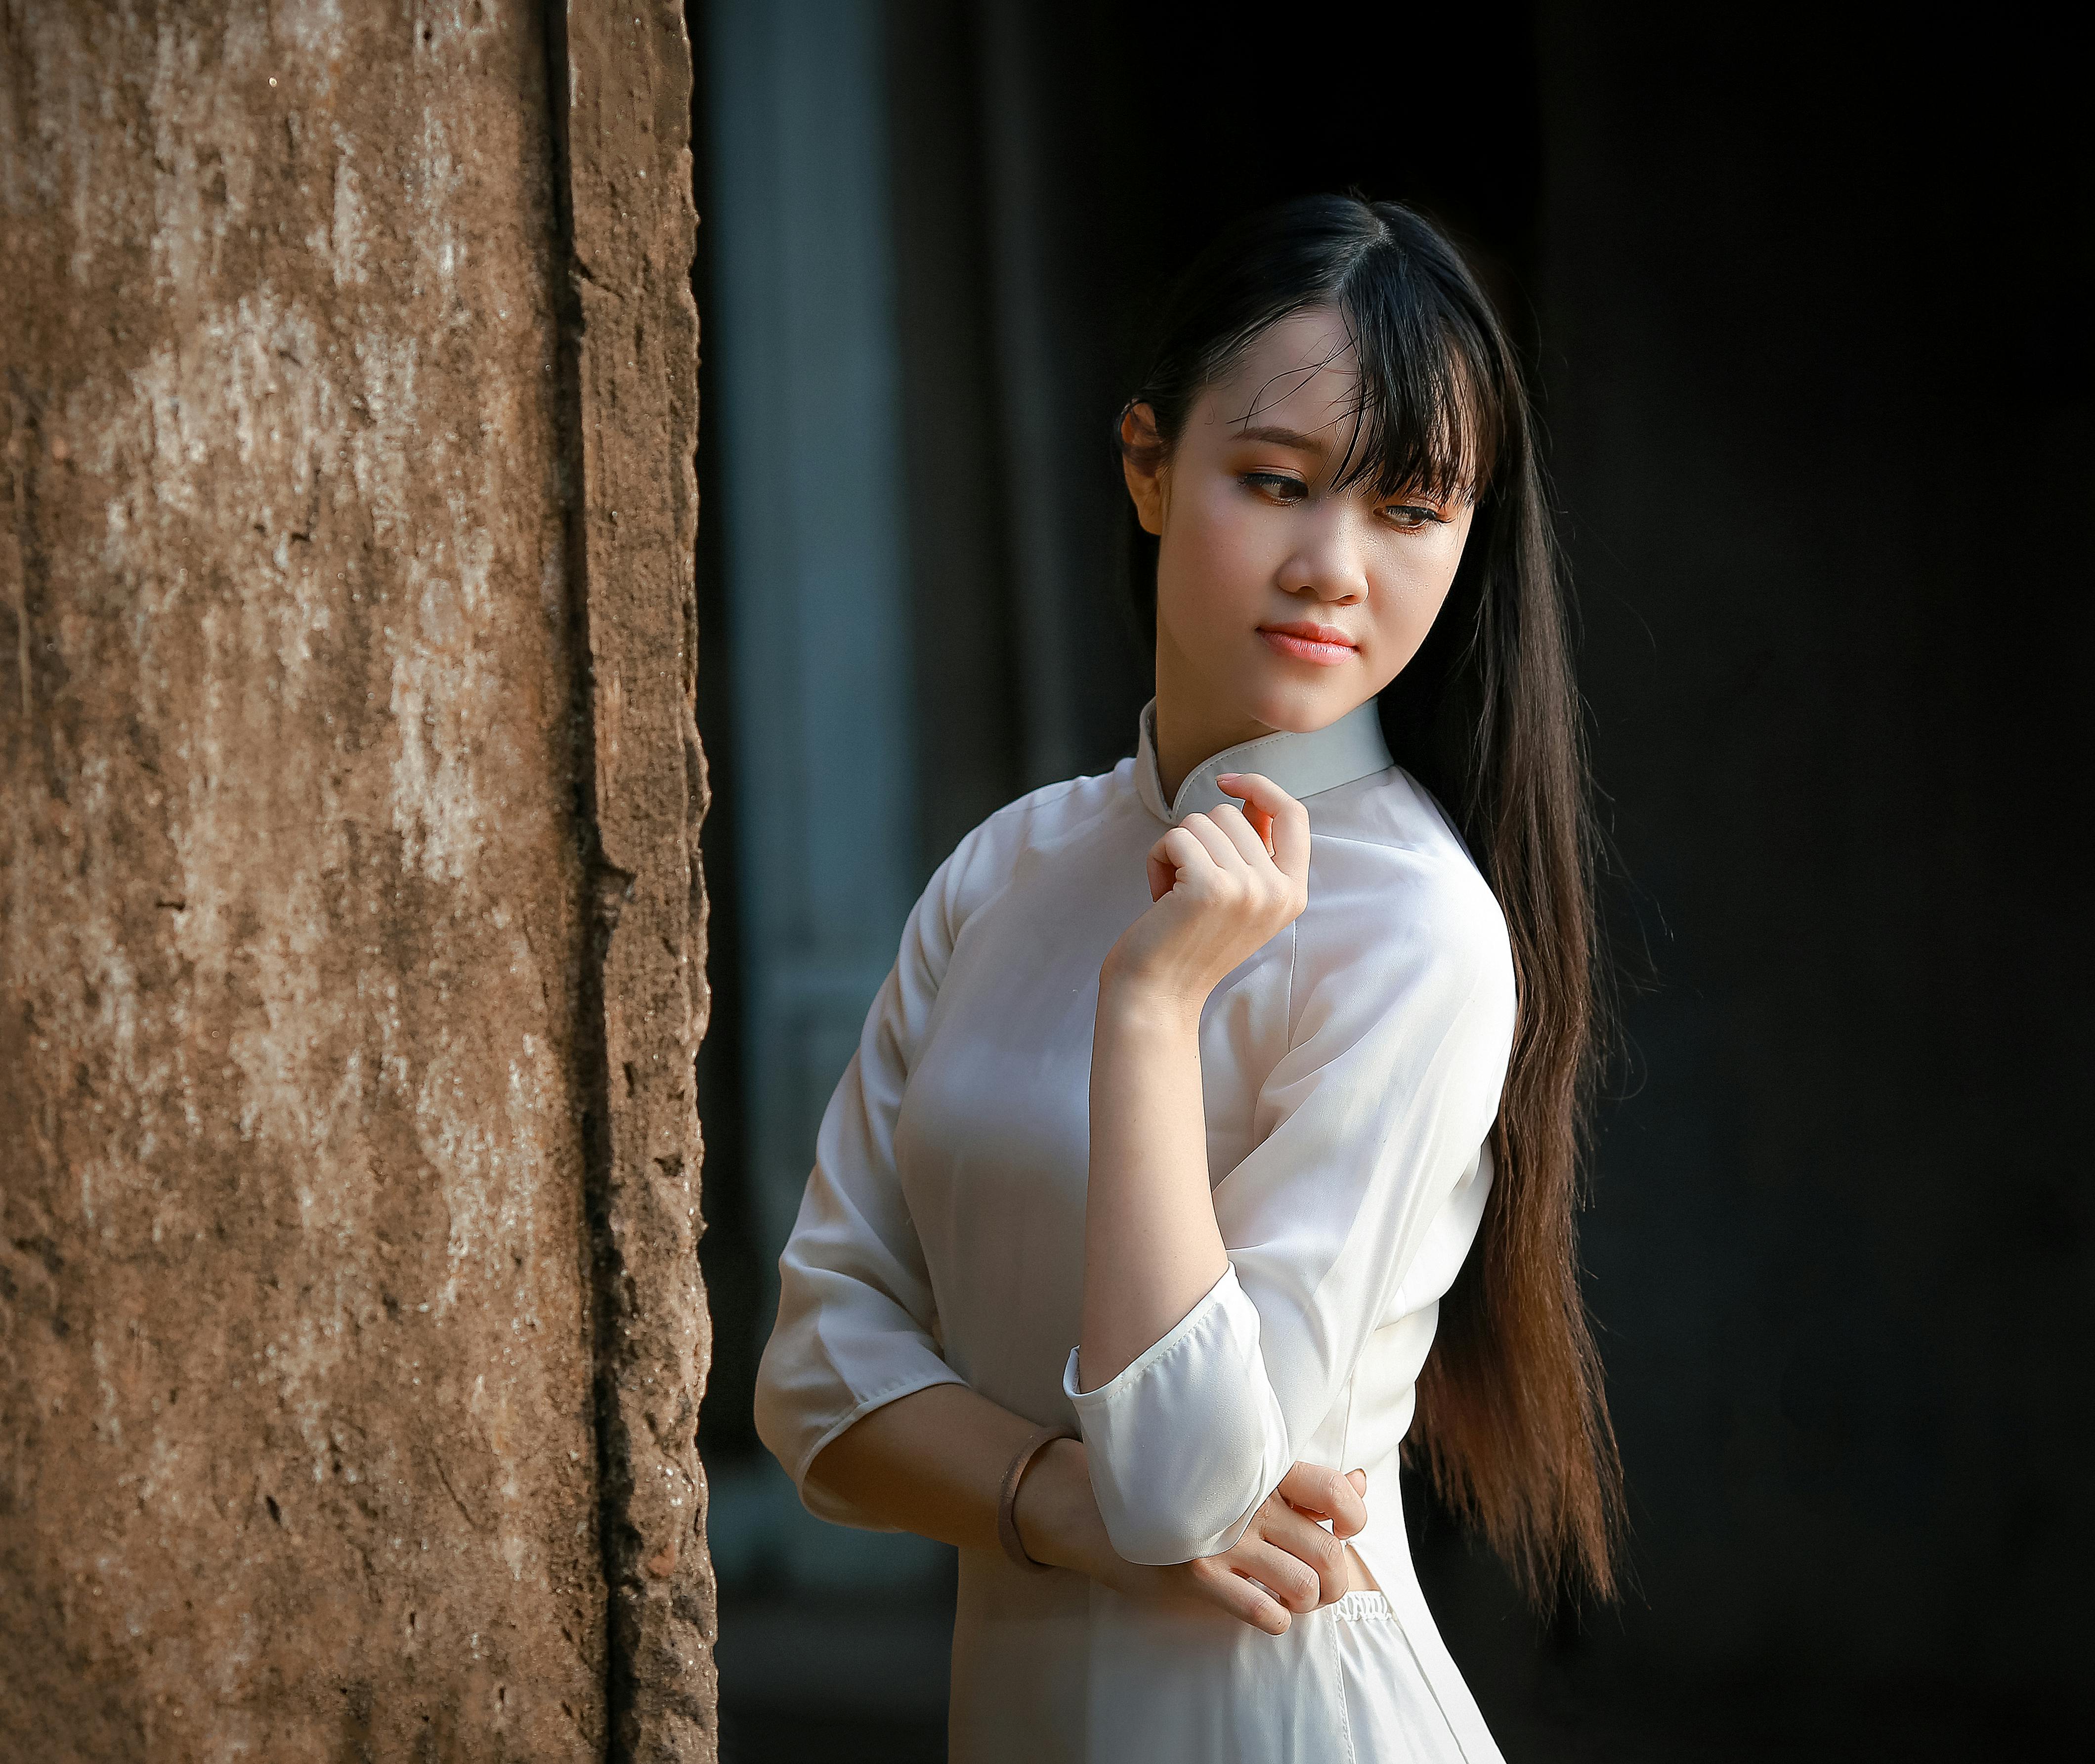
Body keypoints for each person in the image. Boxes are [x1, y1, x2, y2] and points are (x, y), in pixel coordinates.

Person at [753, 193, 1620, 1763]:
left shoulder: (1414, 931)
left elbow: (1186, 1485)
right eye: (1276, 482)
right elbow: (814, 1378)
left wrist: (1152, 1009)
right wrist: (1054, 1499)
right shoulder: (1006, 870)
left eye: (1410, 510)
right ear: (1148, 465)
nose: (1333, 567)